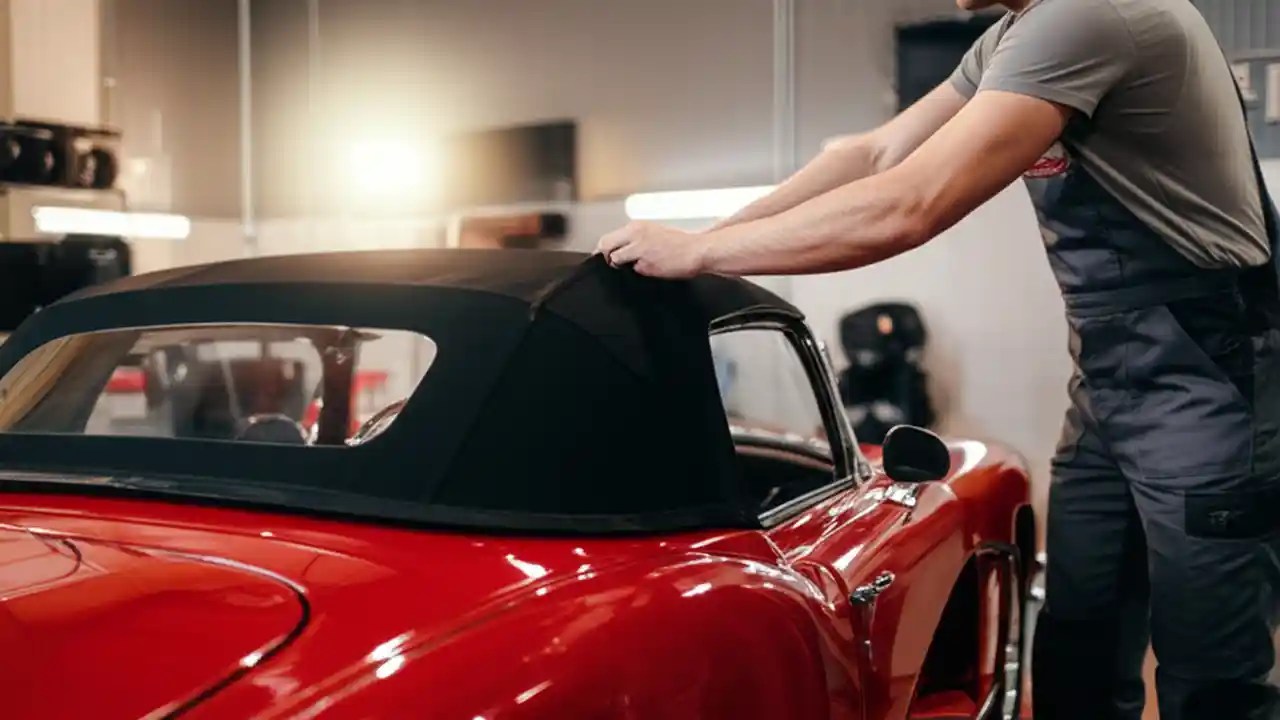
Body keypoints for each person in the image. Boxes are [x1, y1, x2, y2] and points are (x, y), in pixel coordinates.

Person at [597, 0, 1280, 718]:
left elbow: (913, 202)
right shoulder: (1009, 39)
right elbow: (874, 154)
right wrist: (702, 246)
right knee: (1078, 650)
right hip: (1110, 382)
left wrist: (703, 253)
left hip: (1211, 374)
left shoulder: (1090, 16)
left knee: (1213, 679)